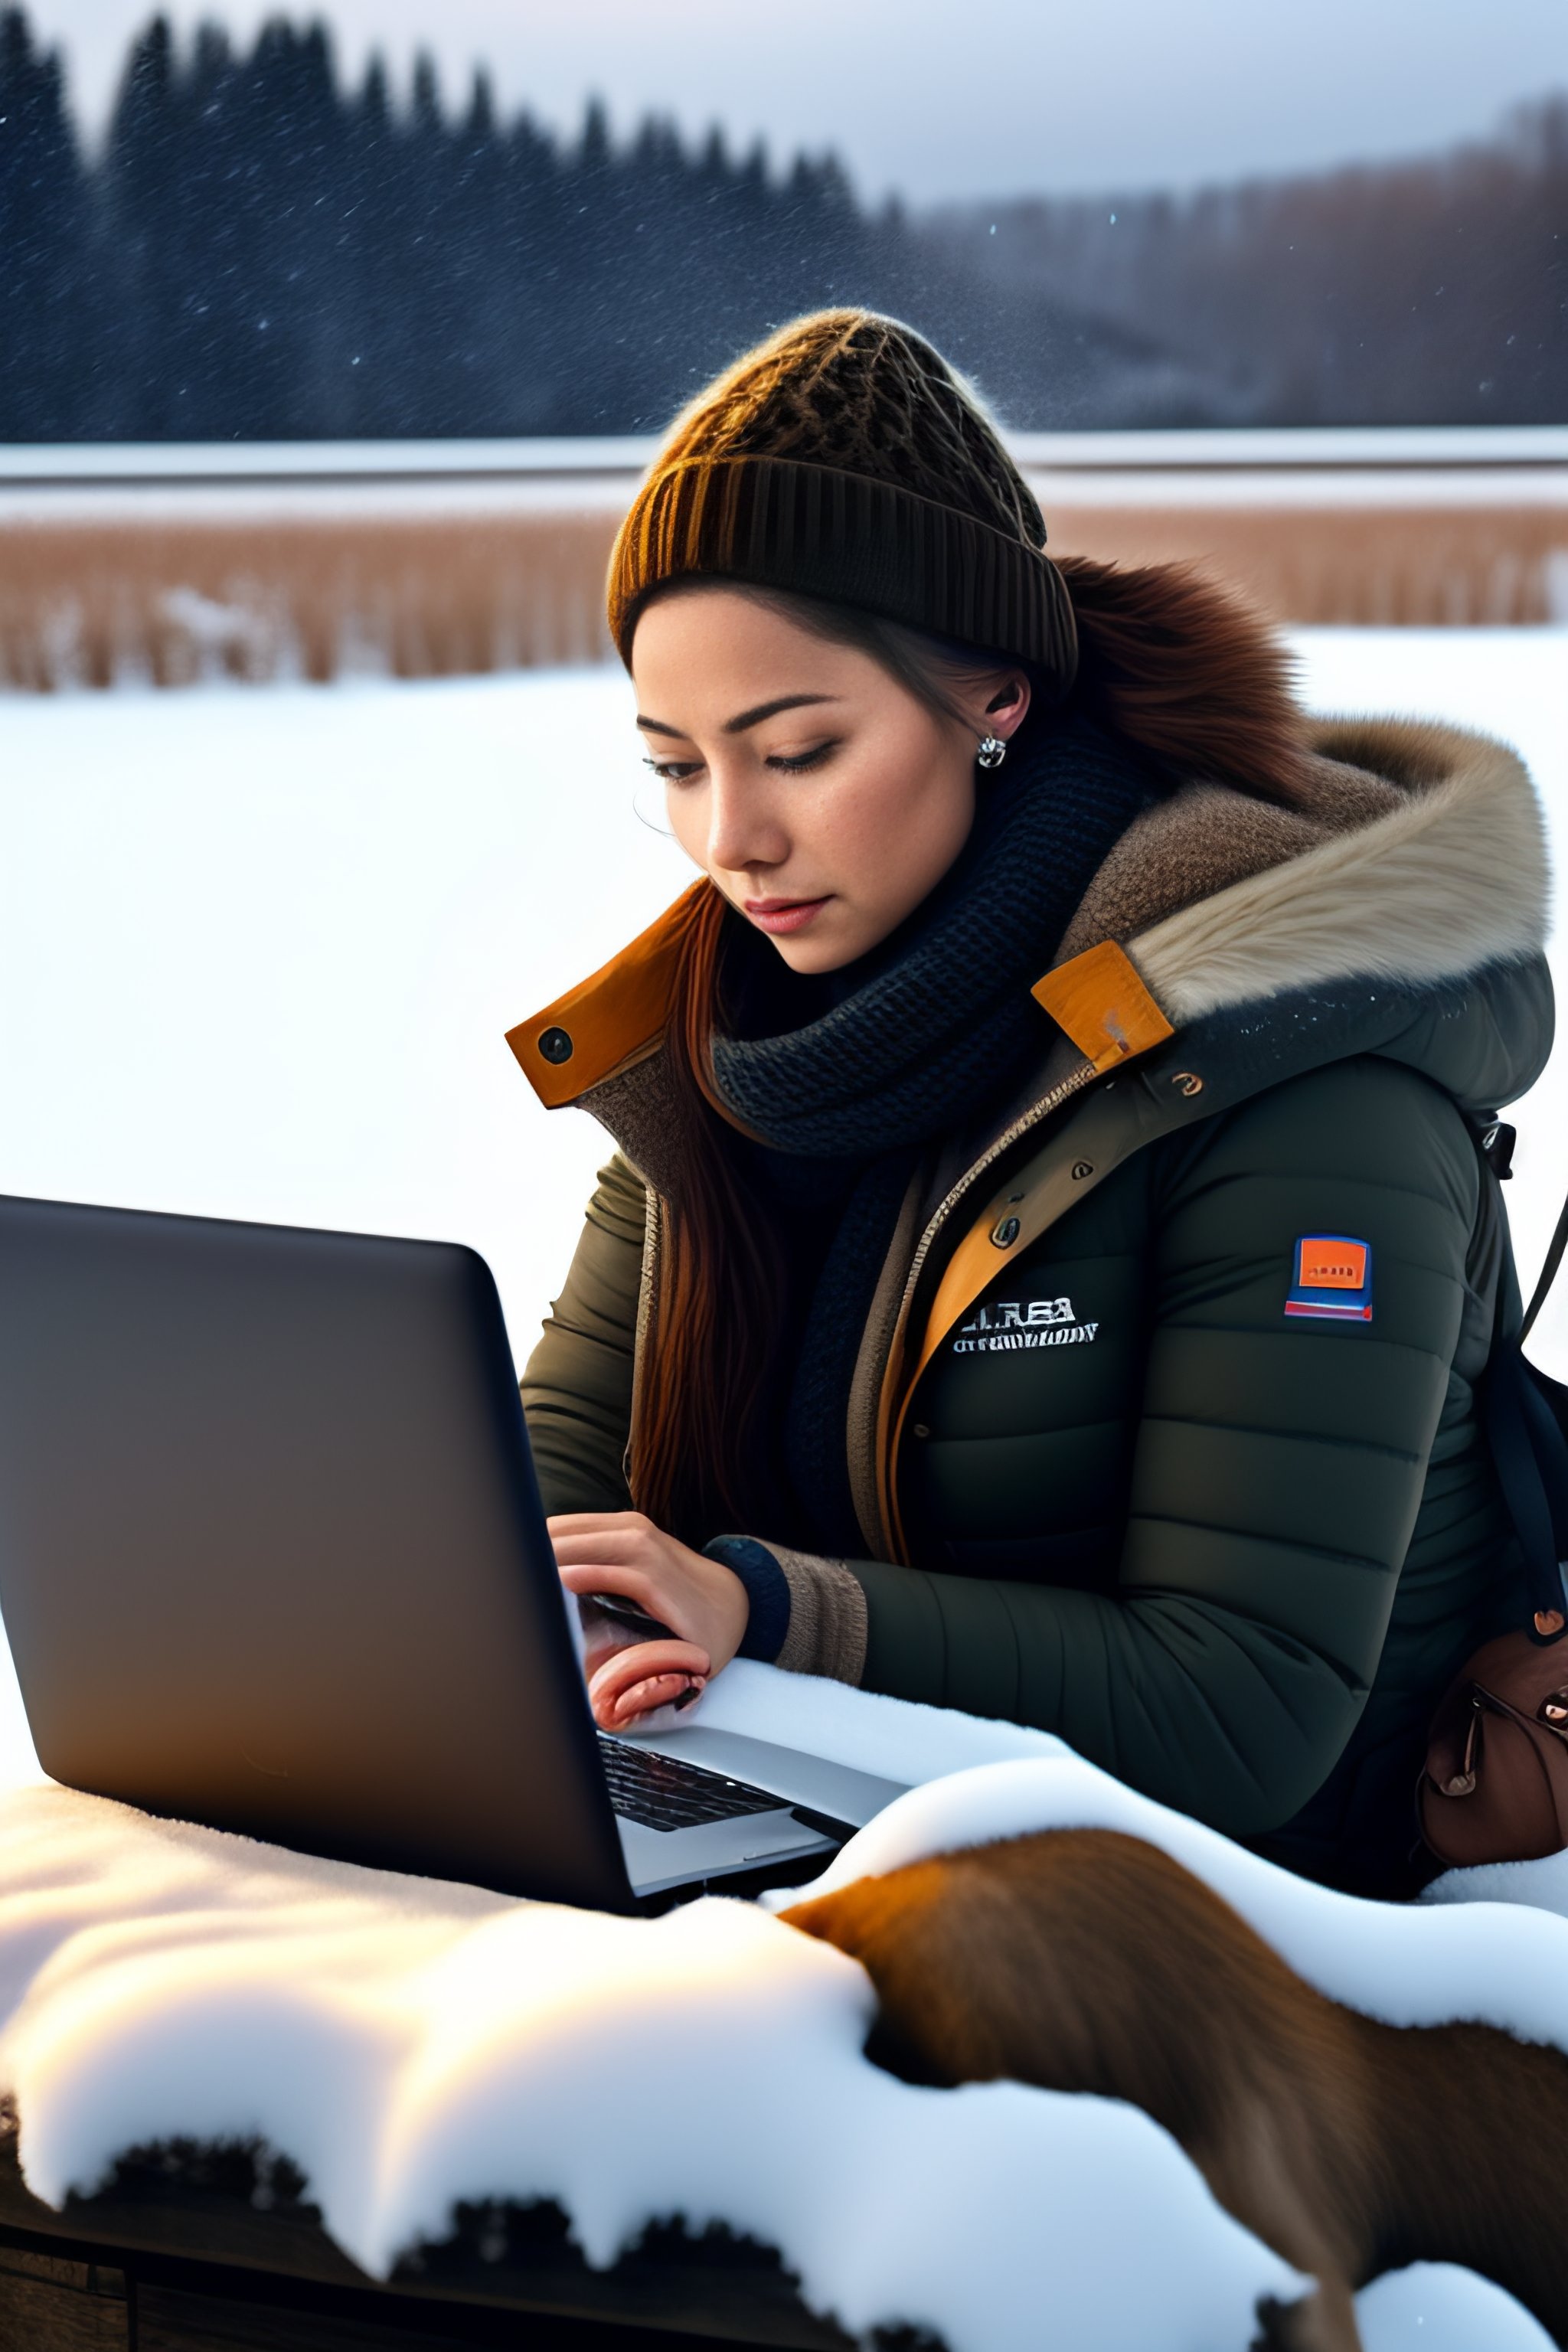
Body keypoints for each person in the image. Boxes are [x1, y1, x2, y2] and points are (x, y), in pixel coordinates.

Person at [511, 308, 1551, 1897]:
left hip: (1247, 1935)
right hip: (844, 1839)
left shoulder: (1292, 1075)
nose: (731, 840)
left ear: (992, 698)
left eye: (795, 750)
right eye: (676, 766)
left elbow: (1244, 1706)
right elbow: (557, 1483)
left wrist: (774, 1611)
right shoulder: (727, 1058)